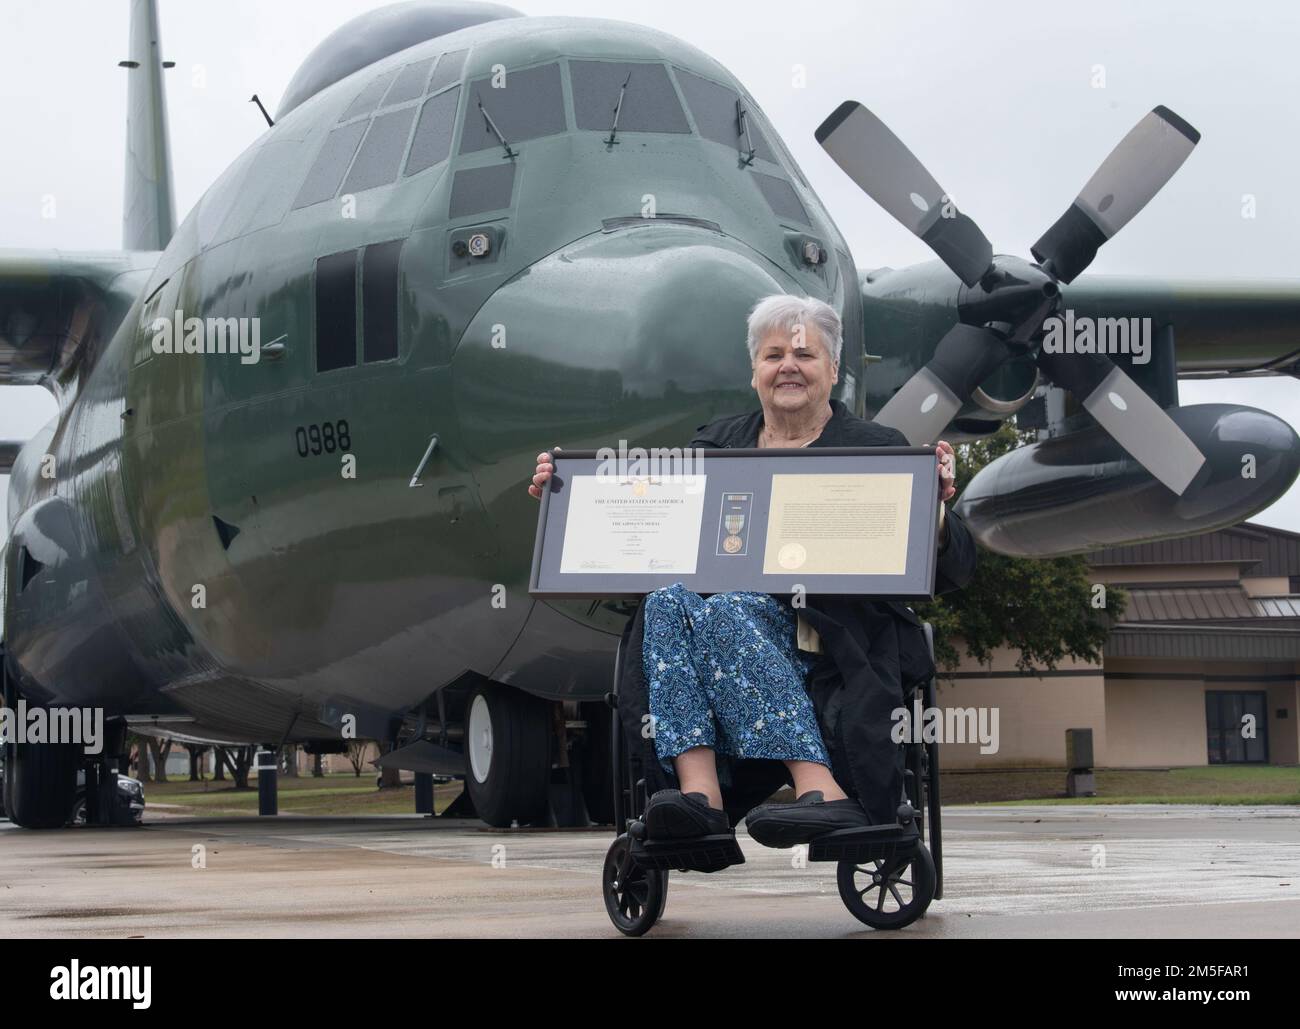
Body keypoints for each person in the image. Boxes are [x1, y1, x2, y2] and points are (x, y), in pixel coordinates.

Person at [528, 294, 972, 846]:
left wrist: (933, 509)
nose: (788, 365)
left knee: (728, 608)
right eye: (773, 354)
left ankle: (822, 789)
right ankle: (700, 798)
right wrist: (566, 498)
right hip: (724, 625)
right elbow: (656, 524)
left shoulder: (877, 449)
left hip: (829, 636)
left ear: (833, 370)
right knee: (667, 601)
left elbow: (954, 569)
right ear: (755, 372)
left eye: (805, 355)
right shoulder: (715, 445)